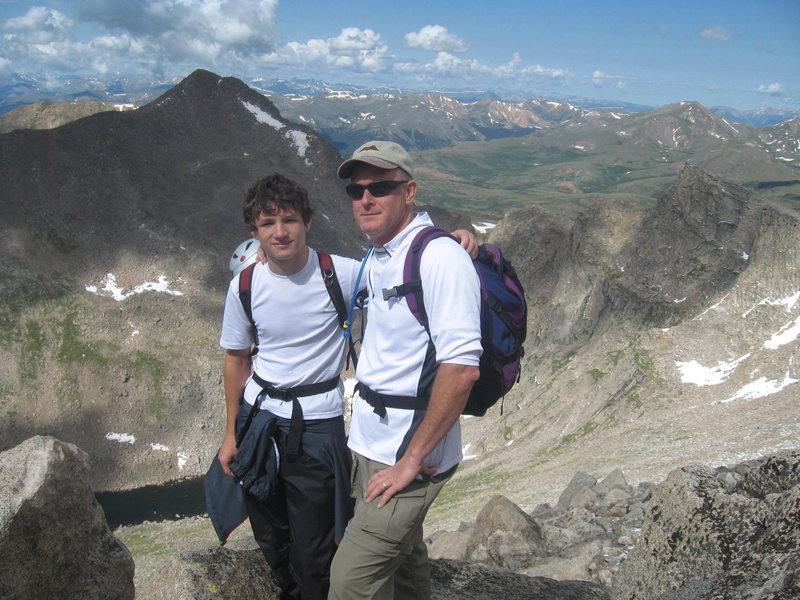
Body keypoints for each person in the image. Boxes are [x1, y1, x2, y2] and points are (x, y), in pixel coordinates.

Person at [217, 172, 477, 600]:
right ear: (254, 232)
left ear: (308, 223)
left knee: (316, 538)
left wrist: (461, 241)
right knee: (269, 525)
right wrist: (231, 433)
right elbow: (236, 358)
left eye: (289, 221)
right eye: (268, 225)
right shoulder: (245, 284)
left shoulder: (343, 273)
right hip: (259, 419)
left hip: (316, 424)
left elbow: (404, 271)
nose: (280, 233)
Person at [329, 141, 482, 599]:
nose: (366, 199)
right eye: (357, 192)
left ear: (409, 190)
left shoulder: (437, 257)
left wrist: (411, 462)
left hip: (408, 451)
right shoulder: (380, 255)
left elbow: (462, 369)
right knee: (405, 560)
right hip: (375, 441)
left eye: (381, 187)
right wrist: (268, 255)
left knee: (349, 583)